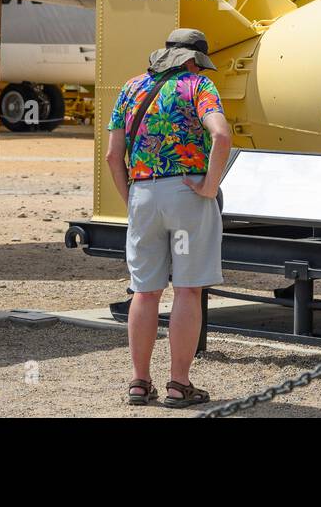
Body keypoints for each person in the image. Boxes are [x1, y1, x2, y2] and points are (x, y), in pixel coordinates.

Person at [105, 28, 232, 408]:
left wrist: (132, 198)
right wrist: (209, 186)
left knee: (145, 291)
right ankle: (179, 384)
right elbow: (221, 136)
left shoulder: (132, 88)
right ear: (193, 59)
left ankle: (139, 383)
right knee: (188, 289)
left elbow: (113, 155)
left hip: (143, 194)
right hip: (186, 195)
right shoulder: (198, 86)